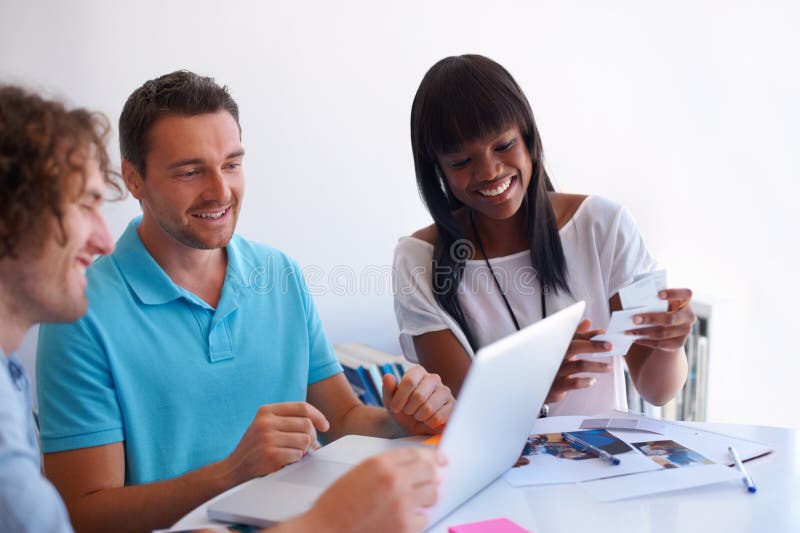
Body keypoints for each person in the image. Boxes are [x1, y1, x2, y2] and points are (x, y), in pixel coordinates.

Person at [0, 85, 445, 533]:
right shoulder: (80, 309)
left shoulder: (279, 272)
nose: (220, 191)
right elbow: (82, 514)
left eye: (231, 164)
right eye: (190, 172)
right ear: (134, 179)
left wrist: (397, 422)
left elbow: (343, 418)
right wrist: (230, 473)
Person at [394, 54, 694, 416]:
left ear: (529, 138)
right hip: (494, 470)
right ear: (437, 169)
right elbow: (462, 411)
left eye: (503, 146)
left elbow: (658, 391)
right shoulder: (419, 260)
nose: (489, 171)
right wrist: (536, 384)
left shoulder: (603, 225)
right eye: (461, 162)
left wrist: (669, 345)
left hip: (604, 466)